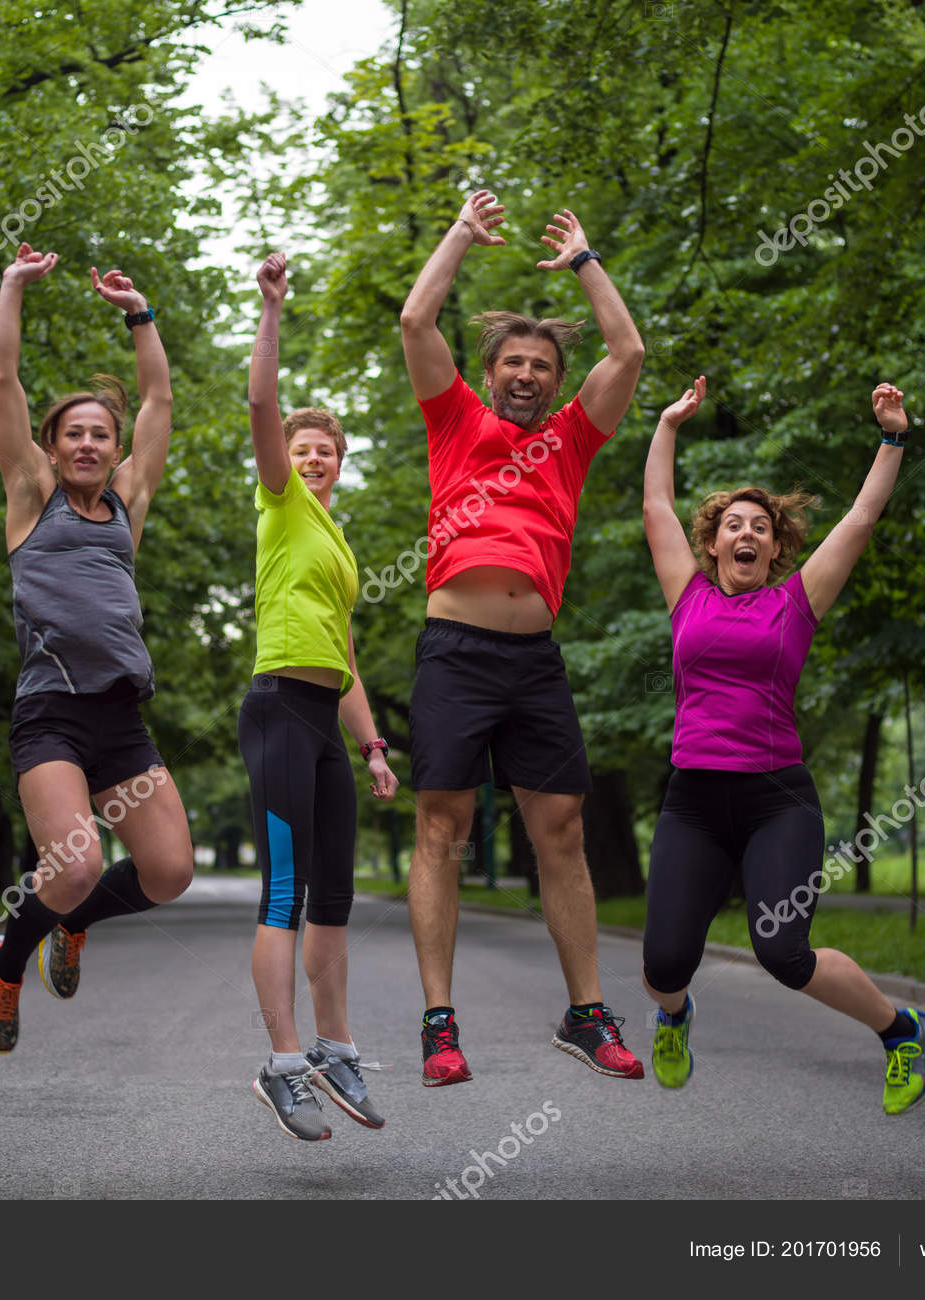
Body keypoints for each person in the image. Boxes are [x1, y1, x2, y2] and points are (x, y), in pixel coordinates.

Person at [398, 191, 646, 1085]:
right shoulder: (456, 421)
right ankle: (439, 1023)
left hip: (532, 659)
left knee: (564, 830)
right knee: (443, 827)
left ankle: (586, 1014)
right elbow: (416, 316)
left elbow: (628, 351)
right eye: (515, 361)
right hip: (456, 652)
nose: (530, 375)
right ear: (491, 370)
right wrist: (461, 232)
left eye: (543, 364)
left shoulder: (576, 438)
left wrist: (585, 261)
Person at [639, 374, 925, 1115]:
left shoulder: (796, 601)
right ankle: (675, 1017)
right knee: (663, 964)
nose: (746, 534)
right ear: (711, 543)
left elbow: (862, 519)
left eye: (760, 528)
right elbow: (653, 506)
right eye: (733, 525)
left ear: (776, 548)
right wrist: (669, 424)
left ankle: (902, 1031)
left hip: (776, 800)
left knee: (783, 953)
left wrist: (893, 437)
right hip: (694, 801)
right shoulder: (689, 595)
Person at [0, 244, 193, 1053]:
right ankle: (7, 962)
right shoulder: (33, 500)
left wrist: (140, 315)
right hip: (51, 720)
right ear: (52, 448)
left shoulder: (129, 502)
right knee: (70, 866)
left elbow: (160, 399)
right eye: (76, 436)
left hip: (121, 723)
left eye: (103, 434)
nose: (93, 446)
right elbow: (3, 383)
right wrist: (12, 287)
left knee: (169, 873)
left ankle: (76, 924)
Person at [240, 252, 399, 1140]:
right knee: (283, 895)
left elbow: (345, 654)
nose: (312, 461)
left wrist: (373, 744)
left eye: (326, 453)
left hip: (325, 724)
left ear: (339, 466)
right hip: (274, 713)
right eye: (303, 451)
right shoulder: (280, 504)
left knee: (333, 897)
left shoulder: (335, 543)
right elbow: (264, 403)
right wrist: (273, 311)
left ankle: (336, 1049)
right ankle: (283, 1063)